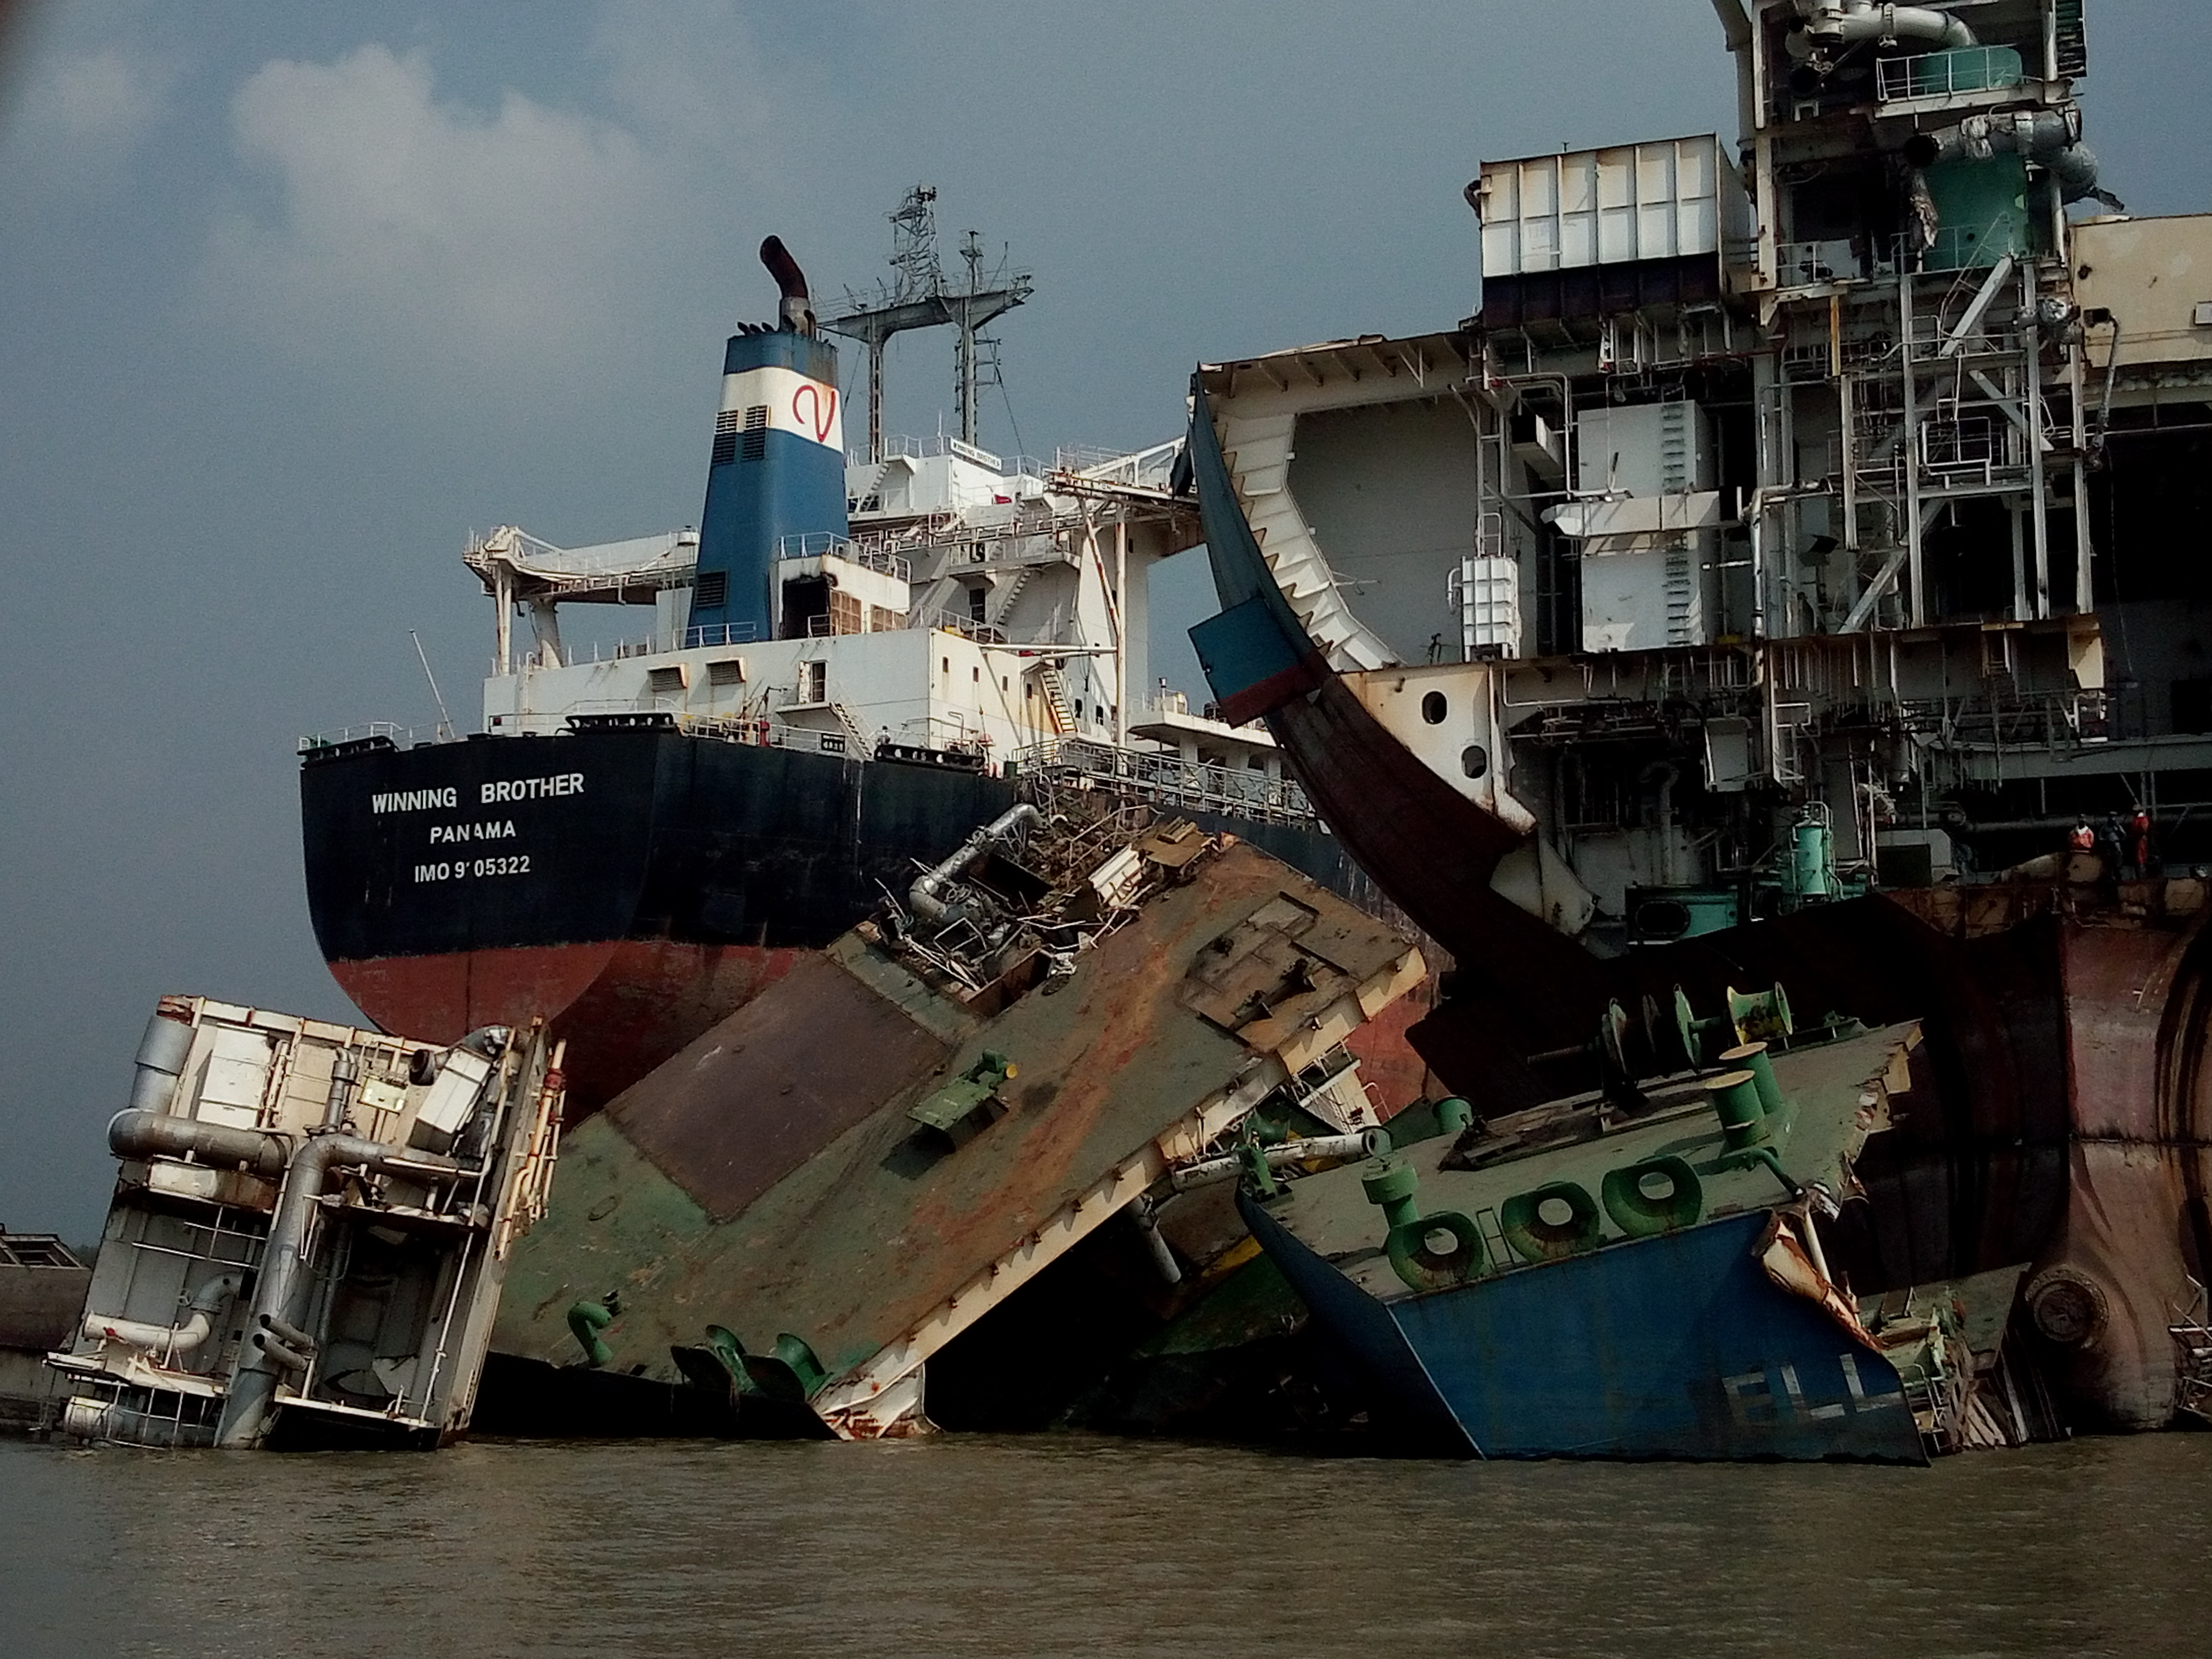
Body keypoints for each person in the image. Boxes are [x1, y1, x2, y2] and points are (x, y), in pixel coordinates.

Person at [2133, 807, 2154, 877]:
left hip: (2140, 839)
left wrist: (2136, 834)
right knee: (2140, 855)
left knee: (2141, 856)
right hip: (2139, 839)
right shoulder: (2140, 820)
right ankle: (2141, 873)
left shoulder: (2142, 820)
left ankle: (2142, 874)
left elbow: (2142, 830)